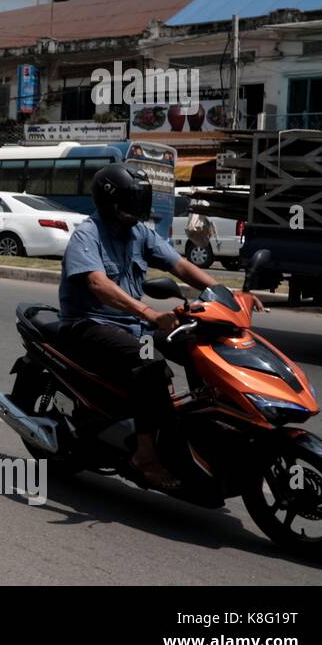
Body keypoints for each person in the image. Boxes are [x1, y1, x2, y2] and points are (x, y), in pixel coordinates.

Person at [57, 163, 219, 490]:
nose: (138, 208)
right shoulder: (88, 234)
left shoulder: (139, 232)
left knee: (195, 341)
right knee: (151, 364)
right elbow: (98, 284)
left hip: (132, 326)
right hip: (89, 324)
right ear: (112, 202)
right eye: (133, 201)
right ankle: (144, 457)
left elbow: (180, 265)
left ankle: (202, 422)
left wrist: (222, 294)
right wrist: (149, 312)